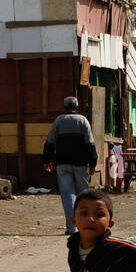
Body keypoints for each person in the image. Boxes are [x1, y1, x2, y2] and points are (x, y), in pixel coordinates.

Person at [42, 96, 98, 235]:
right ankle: (85, 226)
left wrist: (46, 160)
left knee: (68, 196)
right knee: (83, 196)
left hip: (63, 163)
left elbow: (49, 142)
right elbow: (90, 144)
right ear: (77, 106)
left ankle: (71, 228)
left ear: (64, 107)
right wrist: (93, 163)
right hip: (81, 163)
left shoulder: (59, 121)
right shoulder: (83, 120)